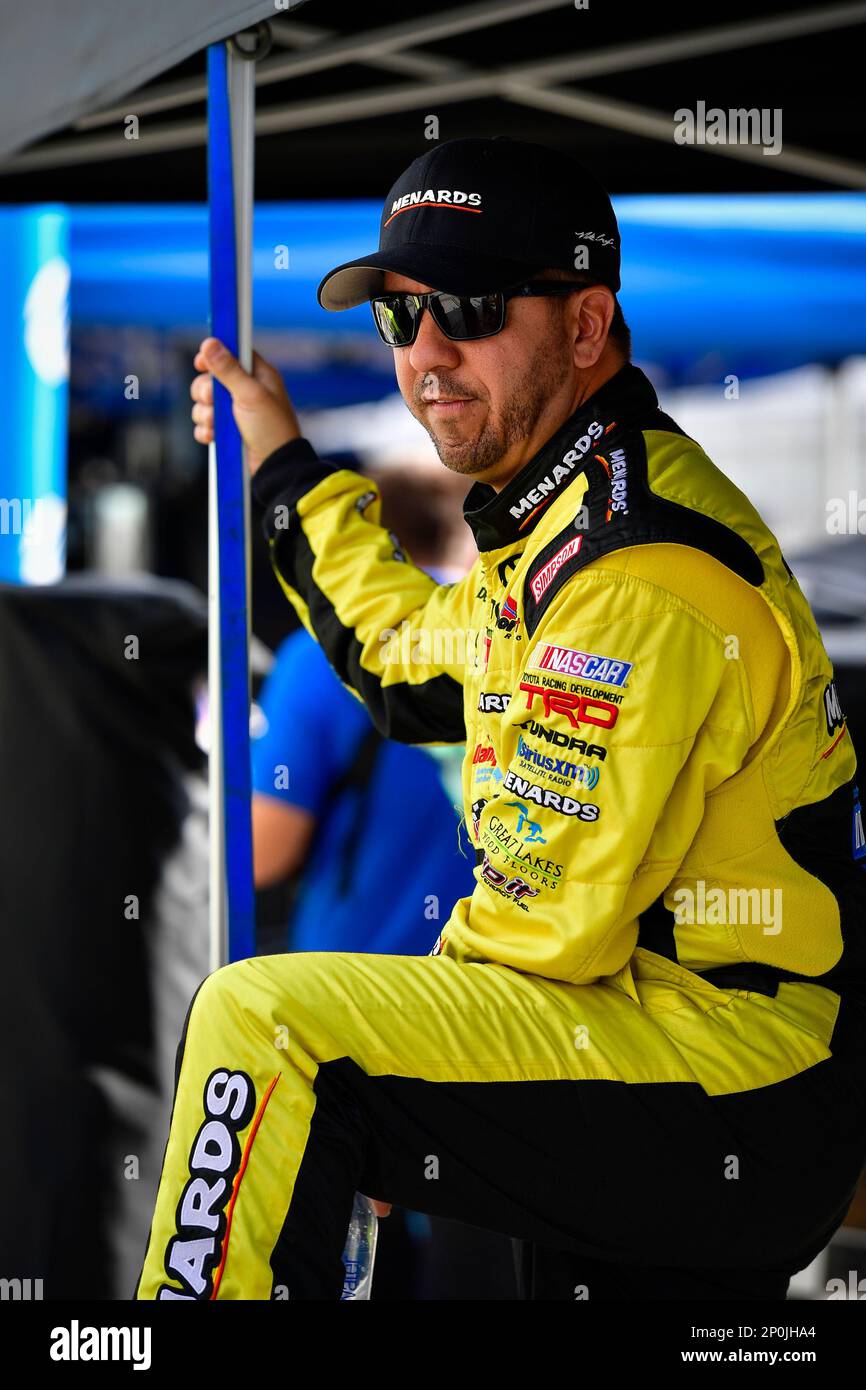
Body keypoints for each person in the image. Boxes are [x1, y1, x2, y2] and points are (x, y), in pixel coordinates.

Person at [137, 136, 866, 1301]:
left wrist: (373, 1085)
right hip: (666, 1061)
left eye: (469, 308)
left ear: (585, 328)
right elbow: (396, 658)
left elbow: (539, 931)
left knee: (262, 1021)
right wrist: (281, 468)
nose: (424, 355)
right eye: (398, 317)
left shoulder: (631, 573)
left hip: (731, 1090)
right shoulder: (569, 521)